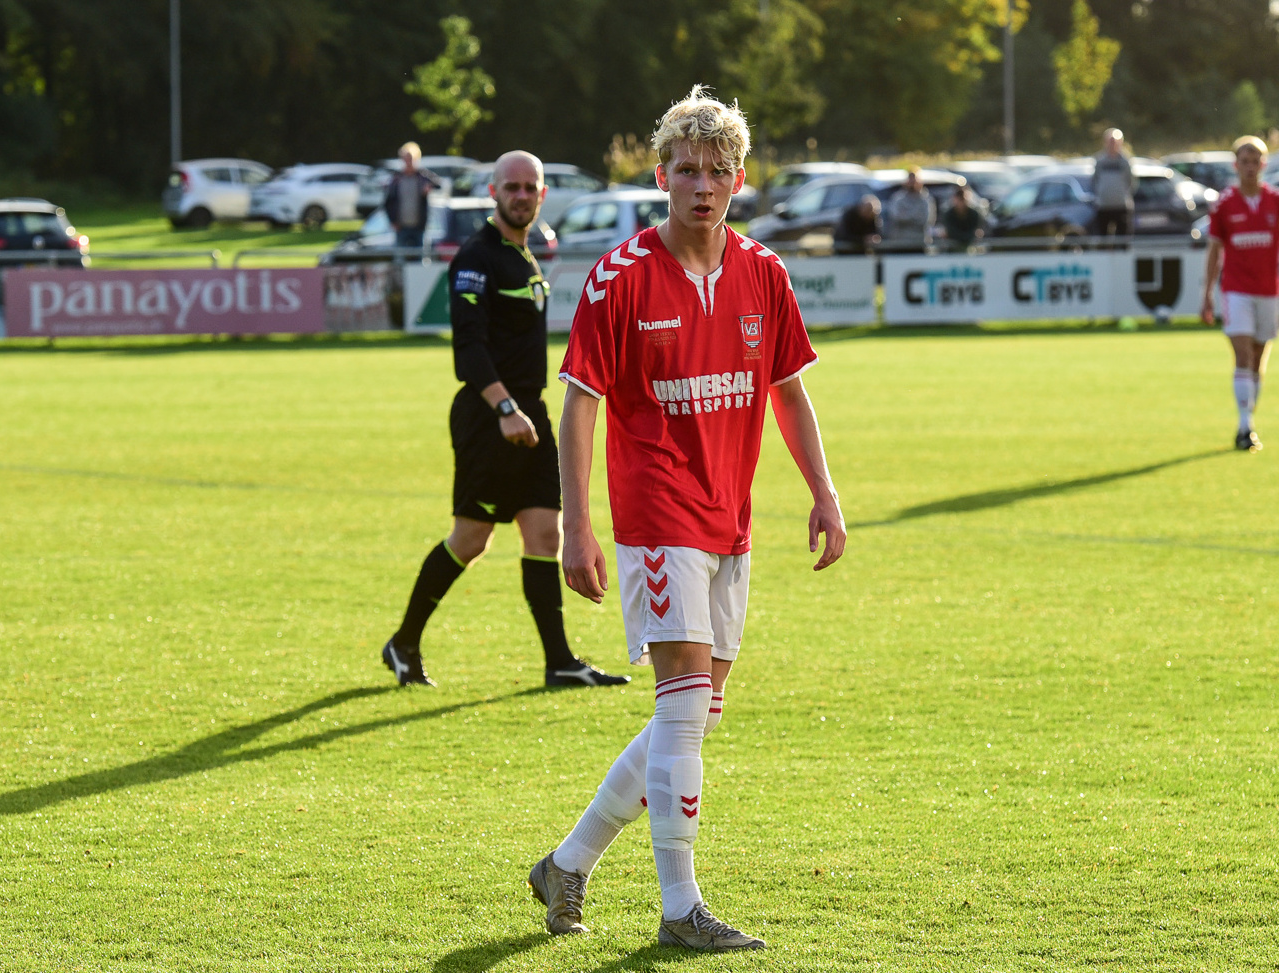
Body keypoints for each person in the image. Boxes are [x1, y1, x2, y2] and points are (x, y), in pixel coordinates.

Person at [527, 86, 846, 952]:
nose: (701, 185)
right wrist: (577, 526)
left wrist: (824, 491)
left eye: (717, 171)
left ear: (738, 178)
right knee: (679, 709)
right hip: (656, 511)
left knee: (696, 714)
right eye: (685, 169)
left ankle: (567, 862)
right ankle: (679, 907)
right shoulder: (620, 277)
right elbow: (581, 405)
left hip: (729, 519)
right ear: (660, 174)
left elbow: (790, 392)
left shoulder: (762, 272)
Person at [380, 150, 629, 689]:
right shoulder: (476, 257)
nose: (521, 196)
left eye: (530, 187)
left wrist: (524, 409)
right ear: (493, 192)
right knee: (470, 539)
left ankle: (559, 661)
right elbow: (468, 349)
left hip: (530, 413)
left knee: (545, 535)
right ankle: (402, 643)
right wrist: (504, 408)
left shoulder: (526, 253)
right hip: (490, 415)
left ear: (542, 194)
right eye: (511, 187)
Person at [1199, 135, 1279, 451]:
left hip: (1268, 290)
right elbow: (1214, 251)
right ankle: (1245, 427)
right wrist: (1206, 293)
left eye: (1255, 161)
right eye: (1244, 161)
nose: (1249, 167)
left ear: (1263, 164)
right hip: (1236, 290)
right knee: (1243, 355)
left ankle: (1248, 421)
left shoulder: (1278, 202)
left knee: (1258, 360)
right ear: (1236, 165)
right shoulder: (1224, 205)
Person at [383, 142, 439, 251]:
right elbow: (387, 202)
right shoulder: (396, 179)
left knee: (420, 258)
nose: (408, 162)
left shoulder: (422, 176)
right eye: (406, 158)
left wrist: (428, 187)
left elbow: (439, 183)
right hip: (401, 227)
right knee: (400, 258)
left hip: (419, 227)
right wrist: (393, 221)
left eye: (411, 158)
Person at [1091, 128, 1137, 239]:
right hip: (1103, 206)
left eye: (1115, 142)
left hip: (1121, 206)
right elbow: (1095, 180)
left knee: (1123, 239)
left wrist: (1123, 195)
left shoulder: (1125, 161)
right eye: (1110, 141)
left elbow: (1131, 181)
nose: (1112, 145)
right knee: (1103, 239)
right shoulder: (1100, 161)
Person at [886, 168, 936, 251]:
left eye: (915, 180)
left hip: (920, 244)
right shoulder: (897, 198)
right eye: (910, 180)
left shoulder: (927, 199)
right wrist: (916, 216)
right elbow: (895, 217)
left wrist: (905, 215)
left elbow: (926, 220)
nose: (912, 183)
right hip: (900, 244)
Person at [942, 186, 983, 250]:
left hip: (971, 247)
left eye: (963, 199)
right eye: (959, 199)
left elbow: (975, 230)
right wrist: (966, 237)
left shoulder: (974, 214)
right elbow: (951, 231)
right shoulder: (948, 214)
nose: (962, 202)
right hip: (952, 248)